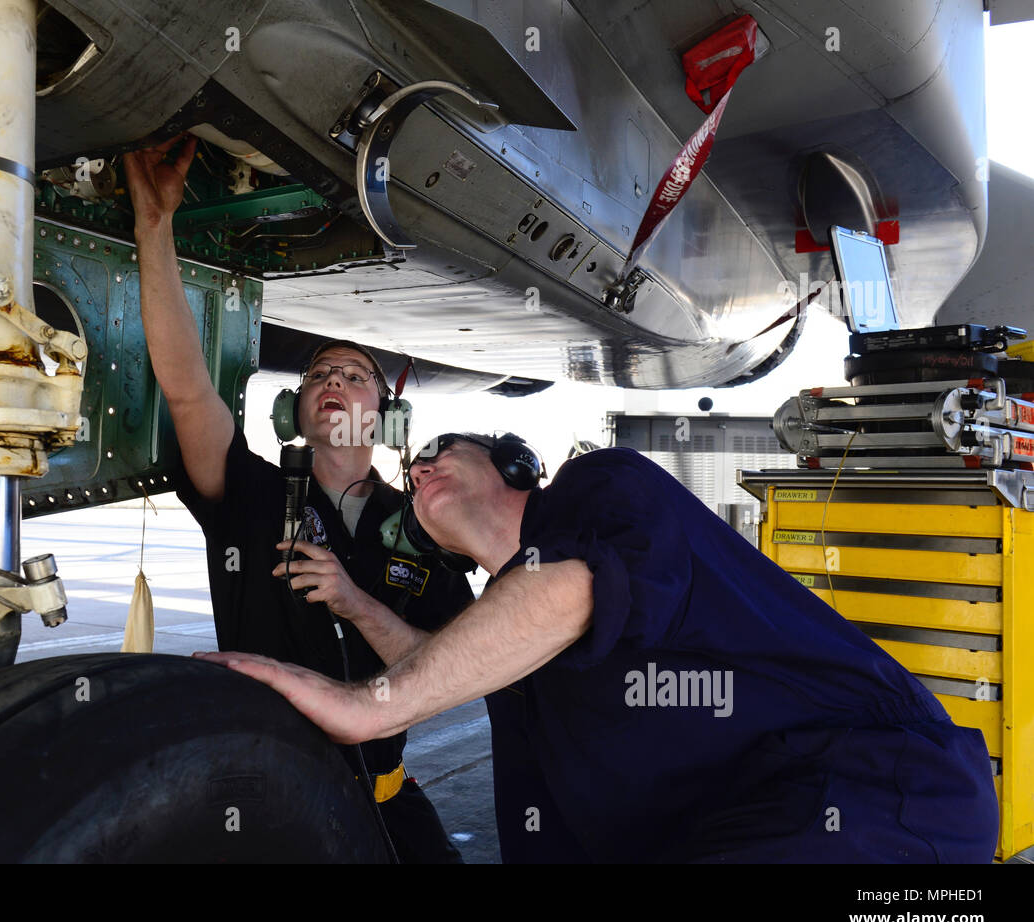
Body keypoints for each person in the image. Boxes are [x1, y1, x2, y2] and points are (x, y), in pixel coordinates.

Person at [198, 433, 1001, 863]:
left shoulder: (600, 490)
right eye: (416, 470)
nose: (422, 465)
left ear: (511, 464)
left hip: (883, 802)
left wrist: (365, 707)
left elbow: (574, 586)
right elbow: (440, 655)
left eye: (446, 447)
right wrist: (350, 600)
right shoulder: (523, 653)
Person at [124, 134, 472, 863]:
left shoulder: (425, 527)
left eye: (354, 374)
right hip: (266, 801)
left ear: (385, 414)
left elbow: (451, 666)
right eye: (319, 375)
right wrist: (154, 228)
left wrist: (354, 601)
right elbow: (187, 387)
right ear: (297, 411)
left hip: (381, 799)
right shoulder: (250, 492)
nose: (334, 381)